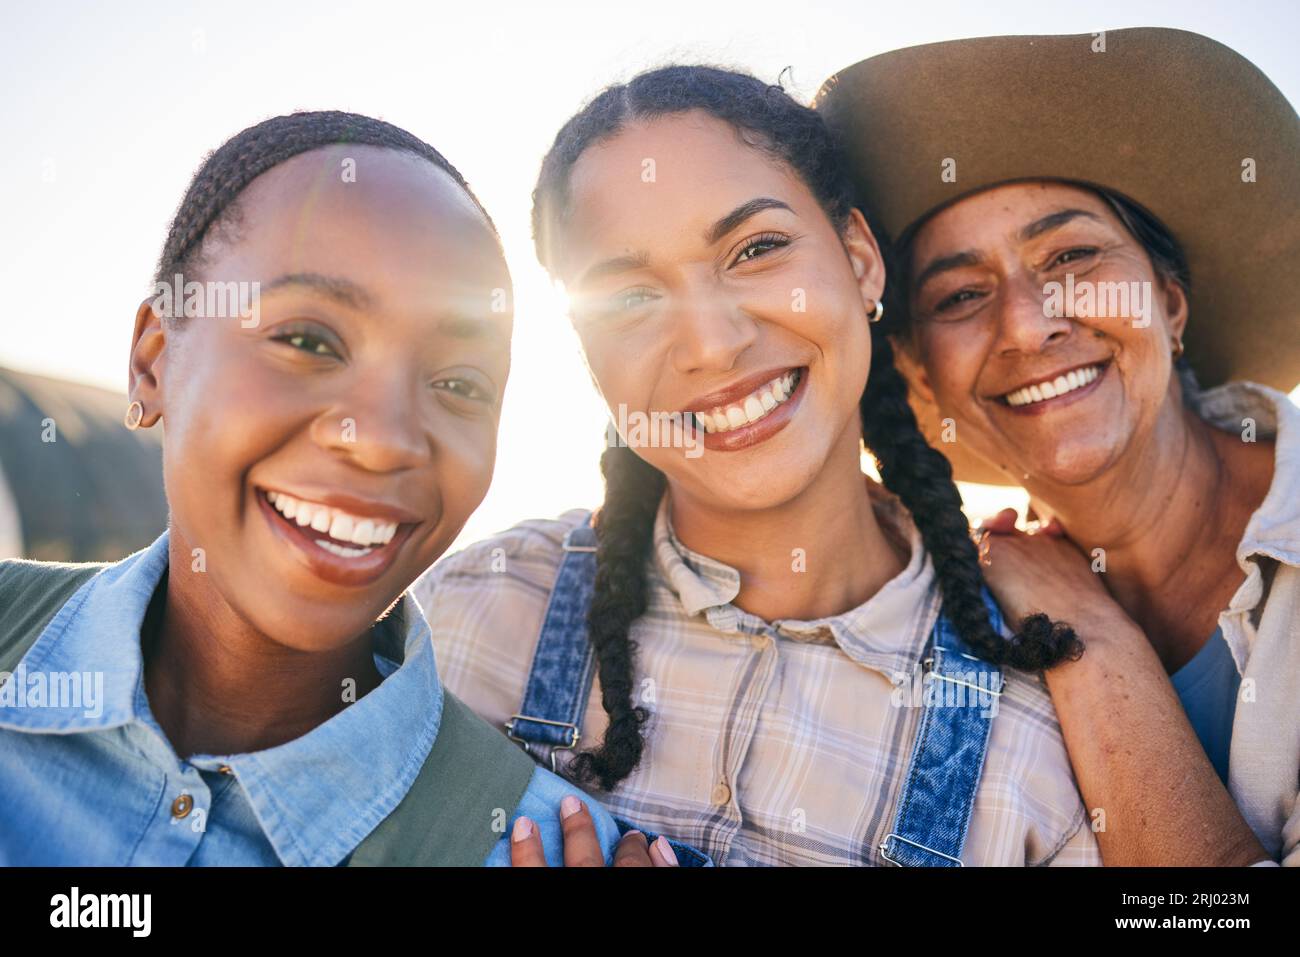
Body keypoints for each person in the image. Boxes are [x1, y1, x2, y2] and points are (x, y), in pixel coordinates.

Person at [415, 66, 1102, 866]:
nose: (713, 342)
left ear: (859, 260)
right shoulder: (464, 625)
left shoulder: (1043, 740)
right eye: (631, 297)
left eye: (757, 249)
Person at [0, 110, 692, 867]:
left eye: (459, 383)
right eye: (308, 341)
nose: (387, 439)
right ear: (153, 361)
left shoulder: (541, 850)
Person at [817, 27, 1300, 864]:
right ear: (923, 378)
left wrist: (1085, 629)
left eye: (1072, 255)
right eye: (961, 294)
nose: (1029, 324)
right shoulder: (949, 617)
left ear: (1170, 304)